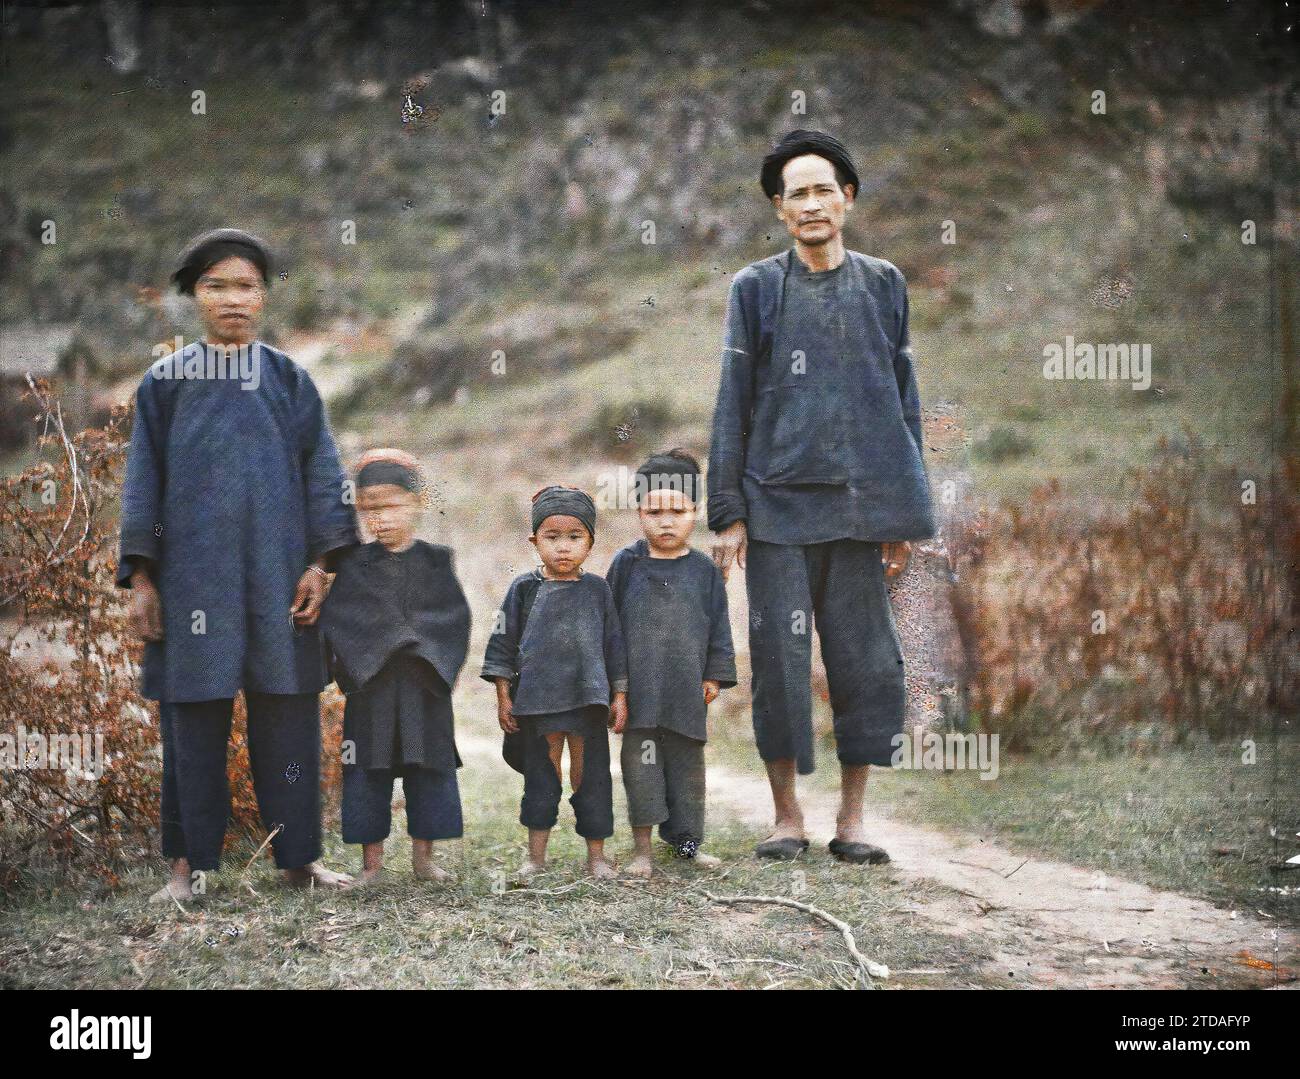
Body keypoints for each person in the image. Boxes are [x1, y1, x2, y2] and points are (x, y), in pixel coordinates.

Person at [707, 130, 936, 864]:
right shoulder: (755, 288)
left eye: (823, 189)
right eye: (796, 193)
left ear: (848, 198)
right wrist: (730, 513)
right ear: (780, 209)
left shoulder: (882, 283)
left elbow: (903, 399)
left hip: (863, 509)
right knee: (778, 659)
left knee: (867, 664)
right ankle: (785, 818)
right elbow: (731, 401)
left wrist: (904, 511)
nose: (812, 203)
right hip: (776, 510)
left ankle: (855, 819)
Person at [118, 227, 358, 902]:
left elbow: (322, 472)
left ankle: (299, 861)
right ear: (193, 295)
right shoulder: (165, 383)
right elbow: (141, 482)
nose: (232, 299)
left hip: (280, 582)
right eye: (215, 285)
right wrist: (141, 577)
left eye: (245, 285)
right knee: (191, 721)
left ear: (263, 295)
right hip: (190, 585)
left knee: (288, 719)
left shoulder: (289, 380)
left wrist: (320, 564)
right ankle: (186, 867)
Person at [319, 449, 471, 885]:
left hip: (425, 685)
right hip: (373, 689)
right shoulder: (353, 565)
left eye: (389, 506)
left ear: (418, 502)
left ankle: (425, 861)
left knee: (430, 772)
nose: (379, 519)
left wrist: (419, 650)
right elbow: (343, 622)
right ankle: (372, 867)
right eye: (368, 509)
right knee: (367, 772)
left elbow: (452, 618)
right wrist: (387, 648)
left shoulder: (437, 560)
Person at [481, 485, 627, 879]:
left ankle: (596, 857)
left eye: (574, 537)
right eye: (552, 537)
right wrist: (503, 696)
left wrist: (619, 694)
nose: (563, 547)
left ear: (591, 542)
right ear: (534, 541)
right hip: (537, 703)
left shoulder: (598, 591)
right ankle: (536, 858)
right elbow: (502, 644)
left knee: (590, 778)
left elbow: (614, 646)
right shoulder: (523, 590)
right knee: (542, 778)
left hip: (588, 702)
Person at [607, 450, 736, 877]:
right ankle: (642, 849)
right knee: (641, 770)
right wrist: (617, 688)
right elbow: (609, 628)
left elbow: (719, 627)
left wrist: (715, 675)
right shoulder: (626, 565)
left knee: (687, 773)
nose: (666, 521)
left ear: (694, 512)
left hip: (685, 694)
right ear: (639, 513)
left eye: (677, 511)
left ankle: (687, 845)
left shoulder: (704, 571)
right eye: (654, 511)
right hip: (639, 696)